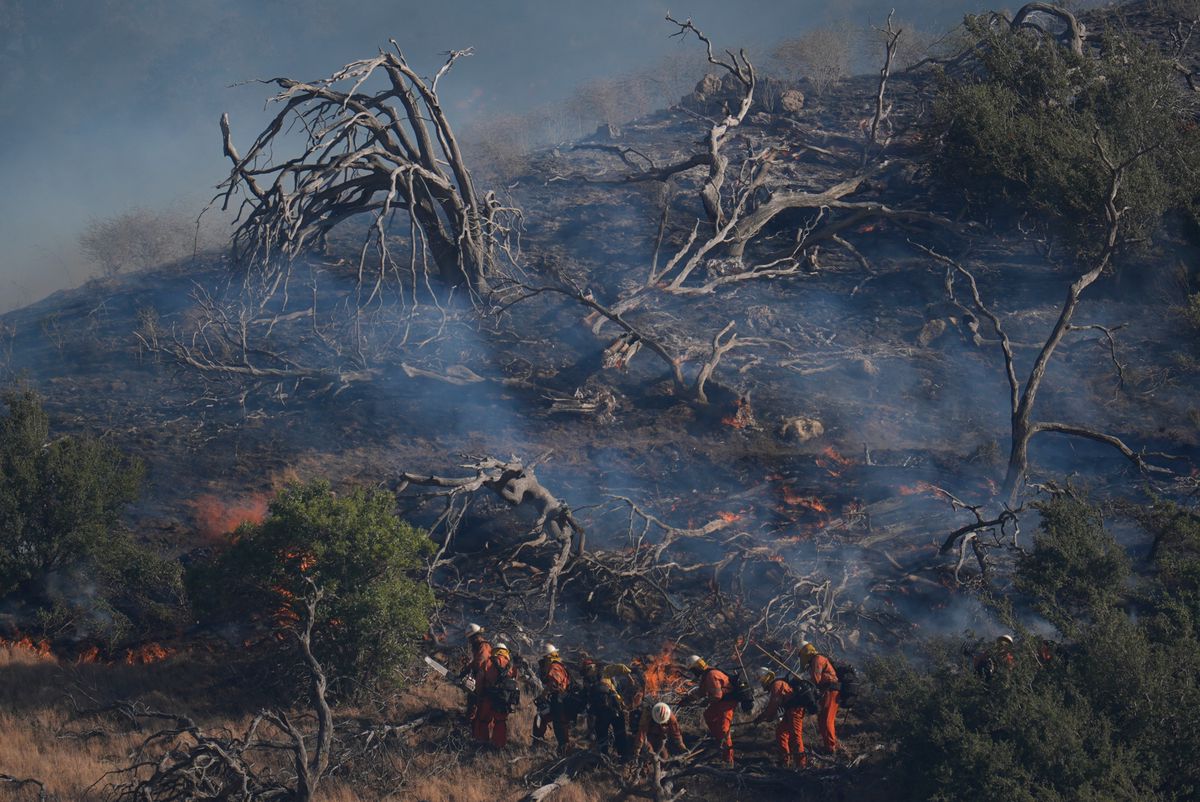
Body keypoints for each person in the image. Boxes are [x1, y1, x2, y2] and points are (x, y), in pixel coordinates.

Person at [752, 667, 807, 768]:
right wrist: (764, 717)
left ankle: (801, 765)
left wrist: (764, 717)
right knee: (781, 733)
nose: (761, 683)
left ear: (765, 678)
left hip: (795, 710)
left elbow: (773, 705)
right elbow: (774, 706)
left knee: (795, 736)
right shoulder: (776, 685)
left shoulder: (777, 685)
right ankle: (784, 761)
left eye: (761, 680)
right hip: (789, 711)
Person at [687, 654, 736, 765]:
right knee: (708, 715)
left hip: (727, 702)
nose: (694, 673)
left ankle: (728, 760)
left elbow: (717, 696)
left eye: (693, 669)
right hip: (720, 701)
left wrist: (706, 701)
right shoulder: (705, 676)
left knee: (724, 729)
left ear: (698, 666)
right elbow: (701, 693)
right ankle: (718, 739)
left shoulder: (711, 675)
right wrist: (687, 700)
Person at [798, 641, 839, 756]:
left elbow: (816, 679)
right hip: (825, 692)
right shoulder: (814, 661)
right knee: (821, 721)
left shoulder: (817, 659)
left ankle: (831, 749)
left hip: (830, 691)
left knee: (826, 721)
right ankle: (828, 745)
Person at [473, 642, 518, 748]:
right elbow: (515, 682)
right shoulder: (511, 665)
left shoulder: (488, 662)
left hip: (488, 697)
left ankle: (482, 743)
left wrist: (479, 694)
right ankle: (498, 746)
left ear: (494, 652)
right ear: (506, 652)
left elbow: (479, 680)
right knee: (500, 722)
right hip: (504, 699)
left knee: (484, 720)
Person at [533, 643, 573, 752]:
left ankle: (564, 751)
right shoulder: (556, 665)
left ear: (548, 657)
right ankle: (537, 744)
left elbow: (554, 682)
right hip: (558, 701)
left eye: (544, 657)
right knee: (540, 718)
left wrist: (543, 695)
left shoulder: (555, 667)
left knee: (560, 727)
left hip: (561, 703)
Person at [587, 670, 629, 759]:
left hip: (603, 714)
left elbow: (591, 712)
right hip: (615, 712)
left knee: (602, 737)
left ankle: (604, 757)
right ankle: (623, 757)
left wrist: (591, 730)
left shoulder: (594, 690)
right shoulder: (612, 689)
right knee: (620, 735)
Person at [459, 623, 491, 722]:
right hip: (481, 677)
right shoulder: (479, 646)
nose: (470, 641)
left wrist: (469, 668)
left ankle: (472, 720)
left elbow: (480, 662)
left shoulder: (483, 646)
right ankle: (471, 719)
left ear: (475, 636)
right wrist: (468, 667)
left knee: (476, 699)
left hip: (485, 678)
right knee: (472, 697)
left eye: (471, 638)